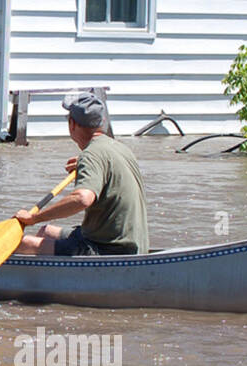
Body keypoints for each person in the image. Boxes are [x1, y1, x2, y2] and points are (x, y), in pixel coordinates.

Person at [12, 92, 149, 256]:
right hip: (131, 243)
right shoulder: (119, 148)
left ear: (72, 124)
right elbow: (111, 170)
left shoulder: (91, 155)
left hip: (109, 249)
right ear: (102, 122)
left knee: (22, 243)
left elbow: (82, 199)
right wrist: (87, 166)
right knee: (46, 231)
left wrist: (34, 218)